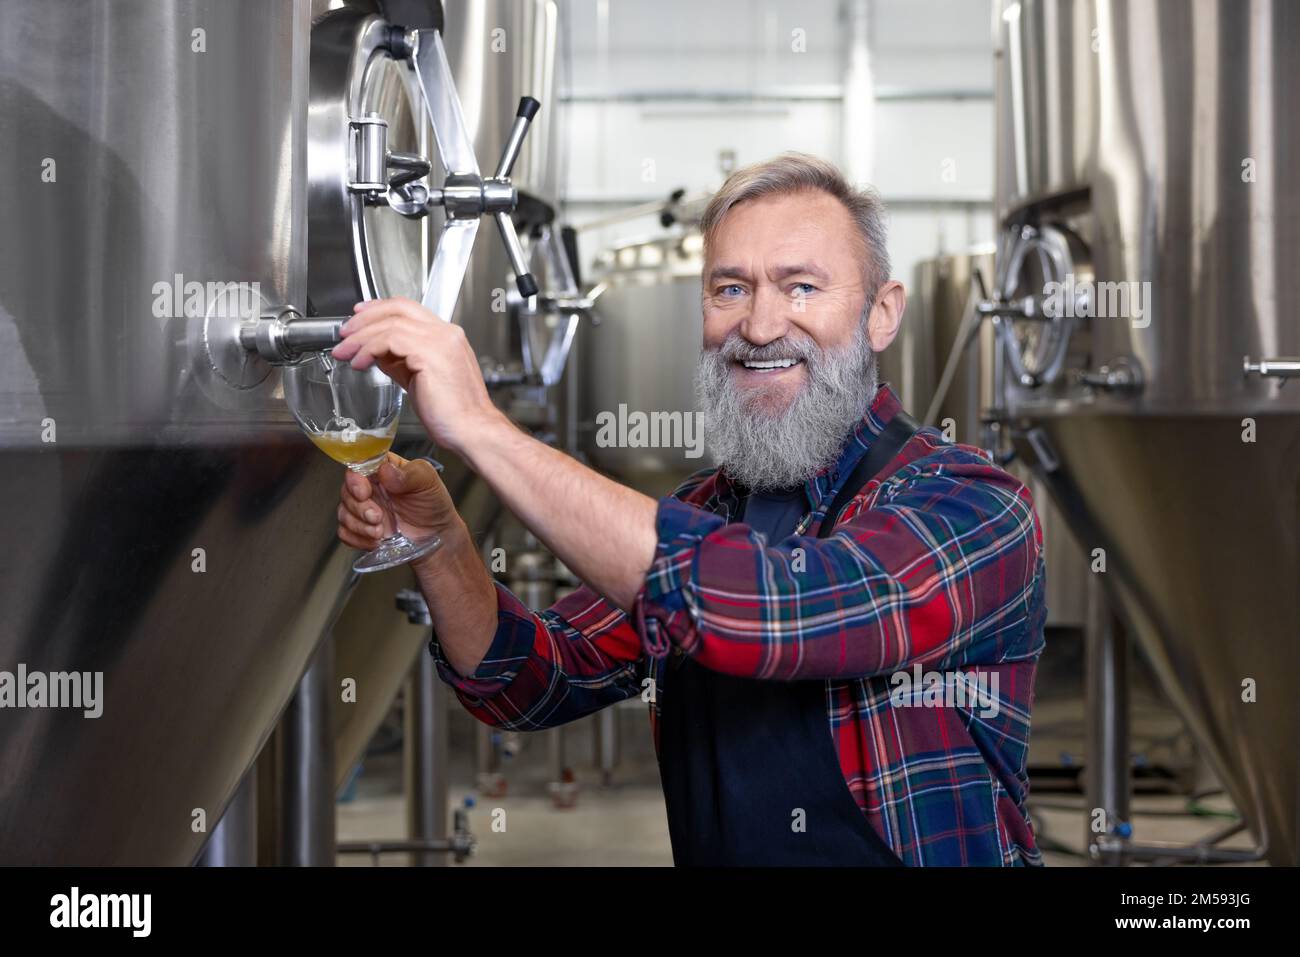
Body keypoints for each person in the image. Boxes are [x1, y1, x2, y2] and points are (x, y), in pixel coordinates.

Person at [332, 151, 1046, 866]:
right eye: (730, 289)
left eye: (801, 287)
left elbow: (779, 608)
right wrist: (443, 542)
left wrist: (485, 430)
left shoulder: (973, 506)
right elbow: (528, 679)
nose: (761, 326)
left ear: (880, 313)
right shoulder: (703, 509)